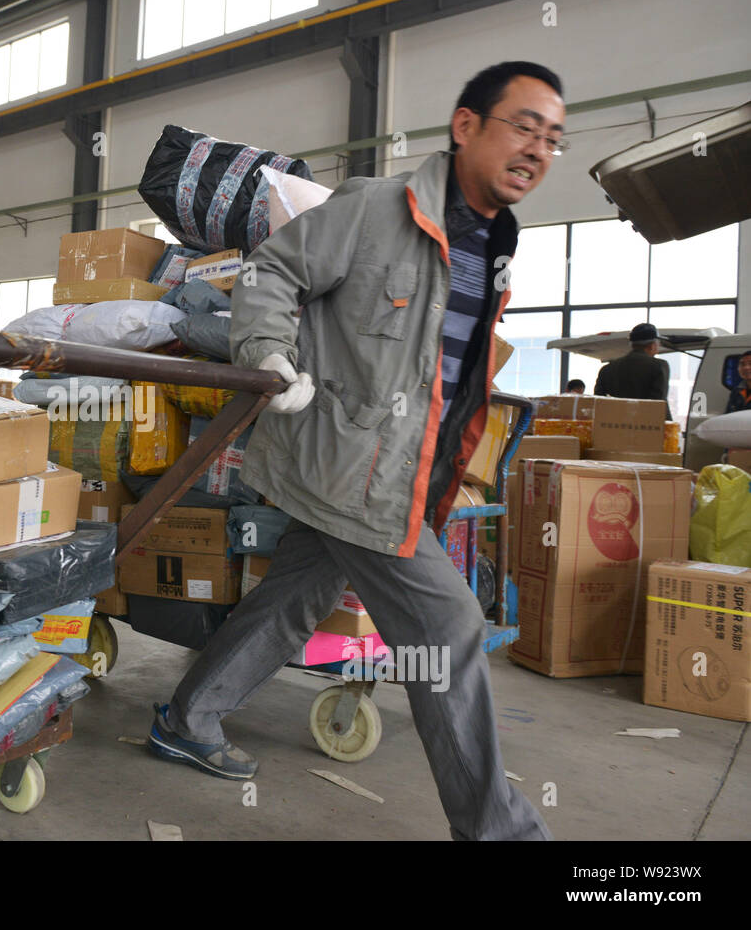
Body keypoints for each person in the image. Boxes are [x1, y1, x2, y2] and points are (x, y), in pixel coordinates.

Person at [146, 61, 566, 841]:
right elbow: (273, 270)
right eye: (523, 126)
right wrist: (270, 350)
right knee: (450, 630)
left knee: (296, 595)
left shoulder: (493, 243)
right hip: (352, 469)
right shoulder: (378, 208)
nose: (537, 148)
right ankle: (499, 833)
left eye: (553, 138)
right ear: (466, 125)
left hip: (402, 472)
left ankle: (185, 716)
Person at [594, 323, 671, 418]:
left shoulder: (607, 369)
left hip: (616, 425)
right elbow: (658, 403)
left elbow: (598, 402)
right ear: (652, 345)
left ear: (632, 345)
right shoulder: (659, 366)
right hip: (649, 427)